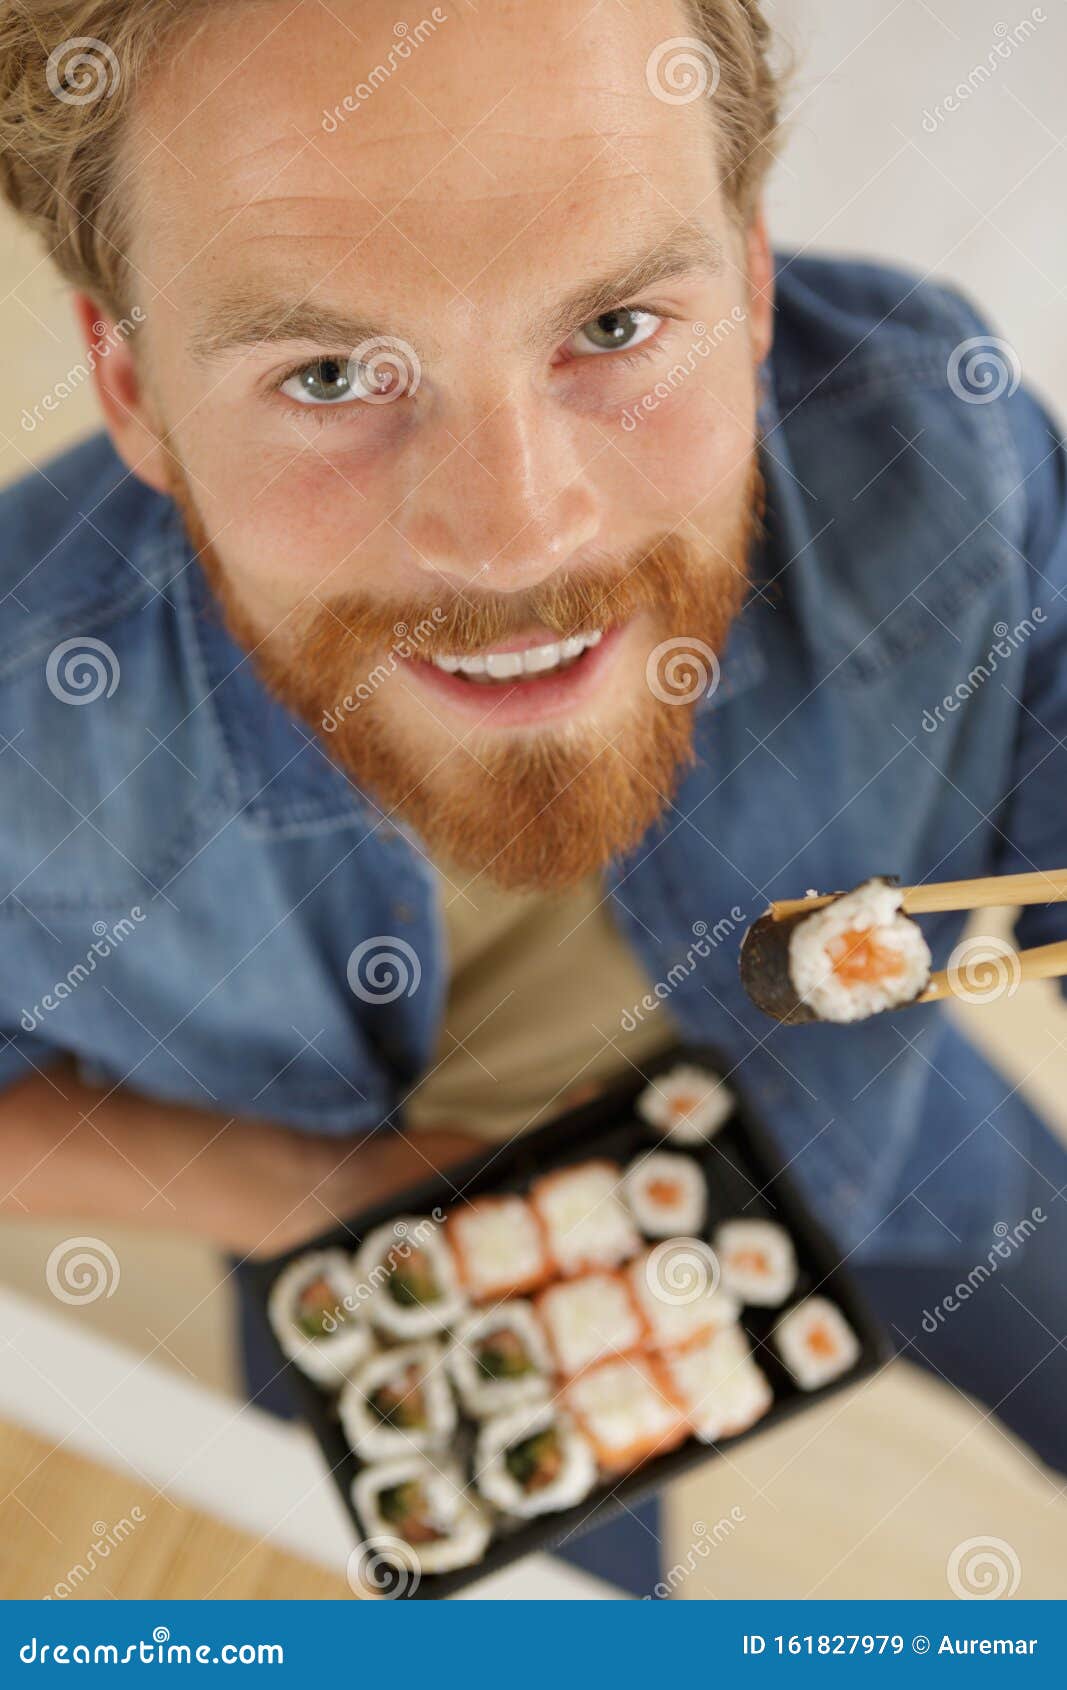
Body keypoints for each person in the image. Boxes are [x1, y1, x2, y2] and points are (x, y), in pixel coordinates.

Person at [0, 0, 1064, 1597]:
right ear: (133, 385)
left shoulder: (940, 439)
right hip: (424, 1273)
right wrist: (316, 1191)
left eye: (618, 327)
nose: (516, 540)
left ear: (754, 279)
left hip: (896, 1132)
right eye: (334, 368)